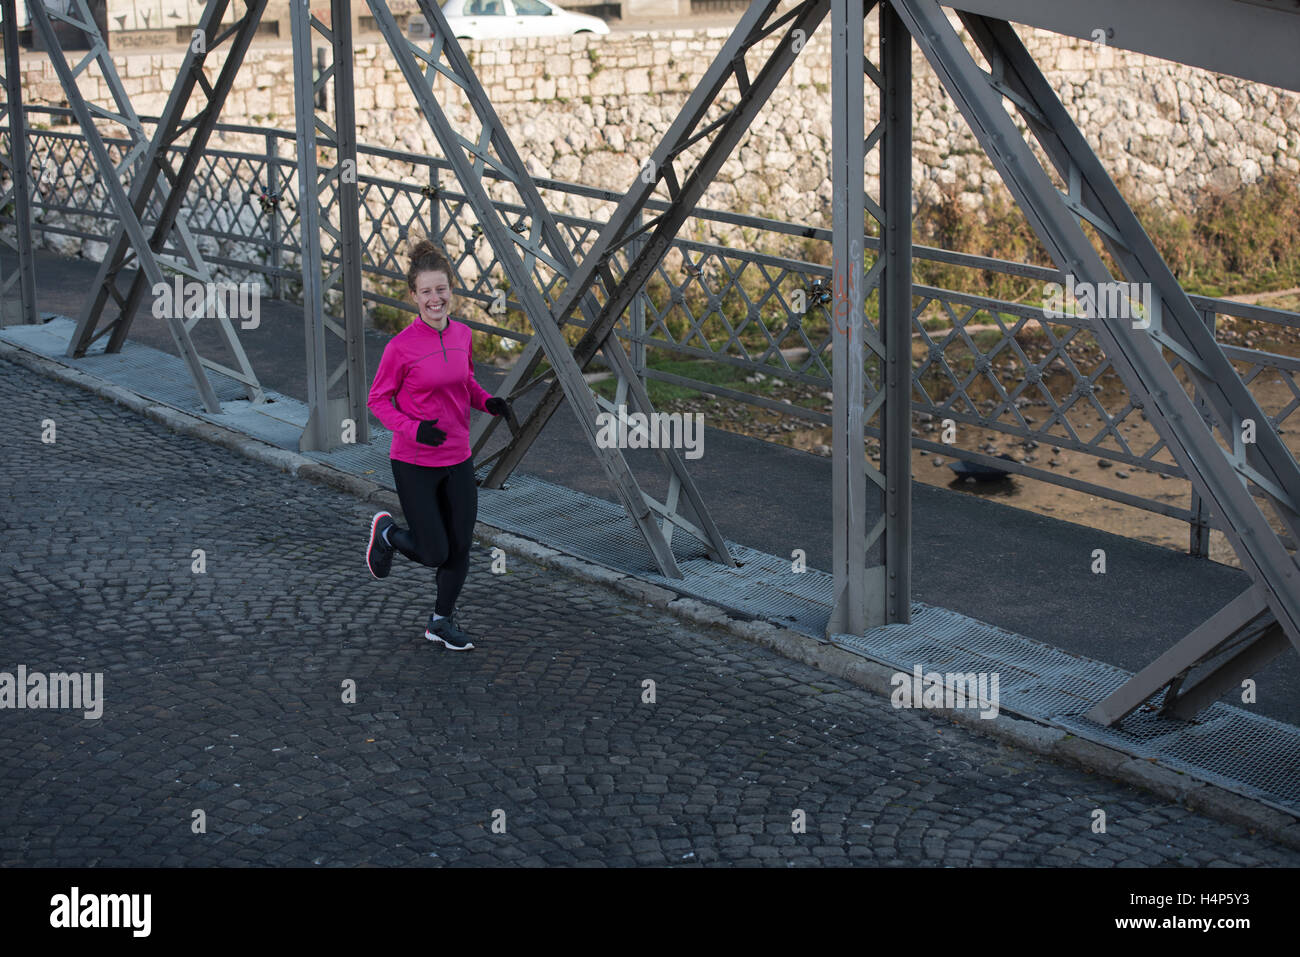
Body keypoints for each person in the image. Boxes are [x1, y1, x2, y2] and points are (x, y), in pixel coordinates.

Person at [364, 239, 512, 650]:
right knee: (433, 551)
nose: (435, 299)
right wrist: (413, 428)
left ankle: (440, 622)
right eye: (426, 291)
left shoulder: (463, 335)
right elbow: (377, 399)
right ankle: (389, 534)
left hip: (457, 458)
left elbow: (464, 382)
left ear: (451, 292)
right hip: (413, 461)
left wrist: (486, 401)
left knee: (460, 547)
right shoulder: (400, 348)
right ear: (413, 296)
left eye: (441, 289)